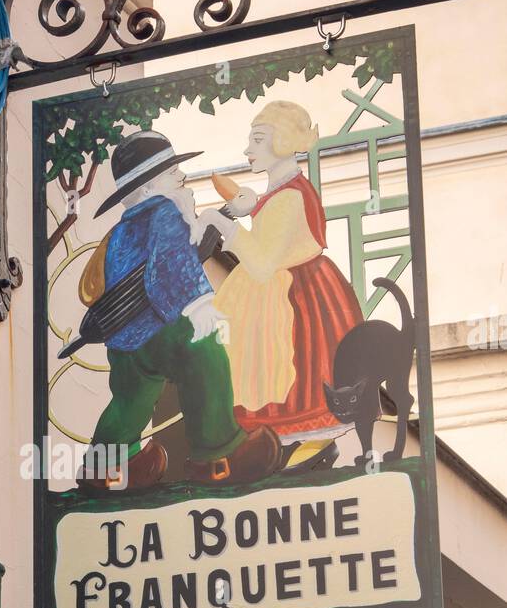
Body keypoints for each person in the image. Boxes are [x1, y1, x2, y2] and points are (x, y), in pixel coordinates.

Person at [78, 130, 281, 491]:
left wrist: (229, 213)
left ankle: (106, 465)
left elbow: (185, 248)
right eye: (173, 173)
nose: (182, 178)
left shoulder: (126, 229)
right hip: (162, 323)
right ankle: (219, 455)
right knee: (207, 360)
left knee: (130, 400)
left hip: (125, 340)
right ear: (147, 187)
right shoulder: (166, 212)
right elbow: (169, 267)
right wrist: (200, 304)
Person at [207, 101, 363, 470]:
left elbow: (262, 264)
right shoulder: (283, 192)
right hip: (290, 292)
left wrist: (224, 226)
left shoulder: (289, 197)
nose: (248, 150)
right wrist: (251, 208)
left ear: (283, 141)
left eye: (258, 139)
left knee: (293, 377)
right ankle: (285, 450)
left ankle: (297, 448)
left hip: (292, 301)